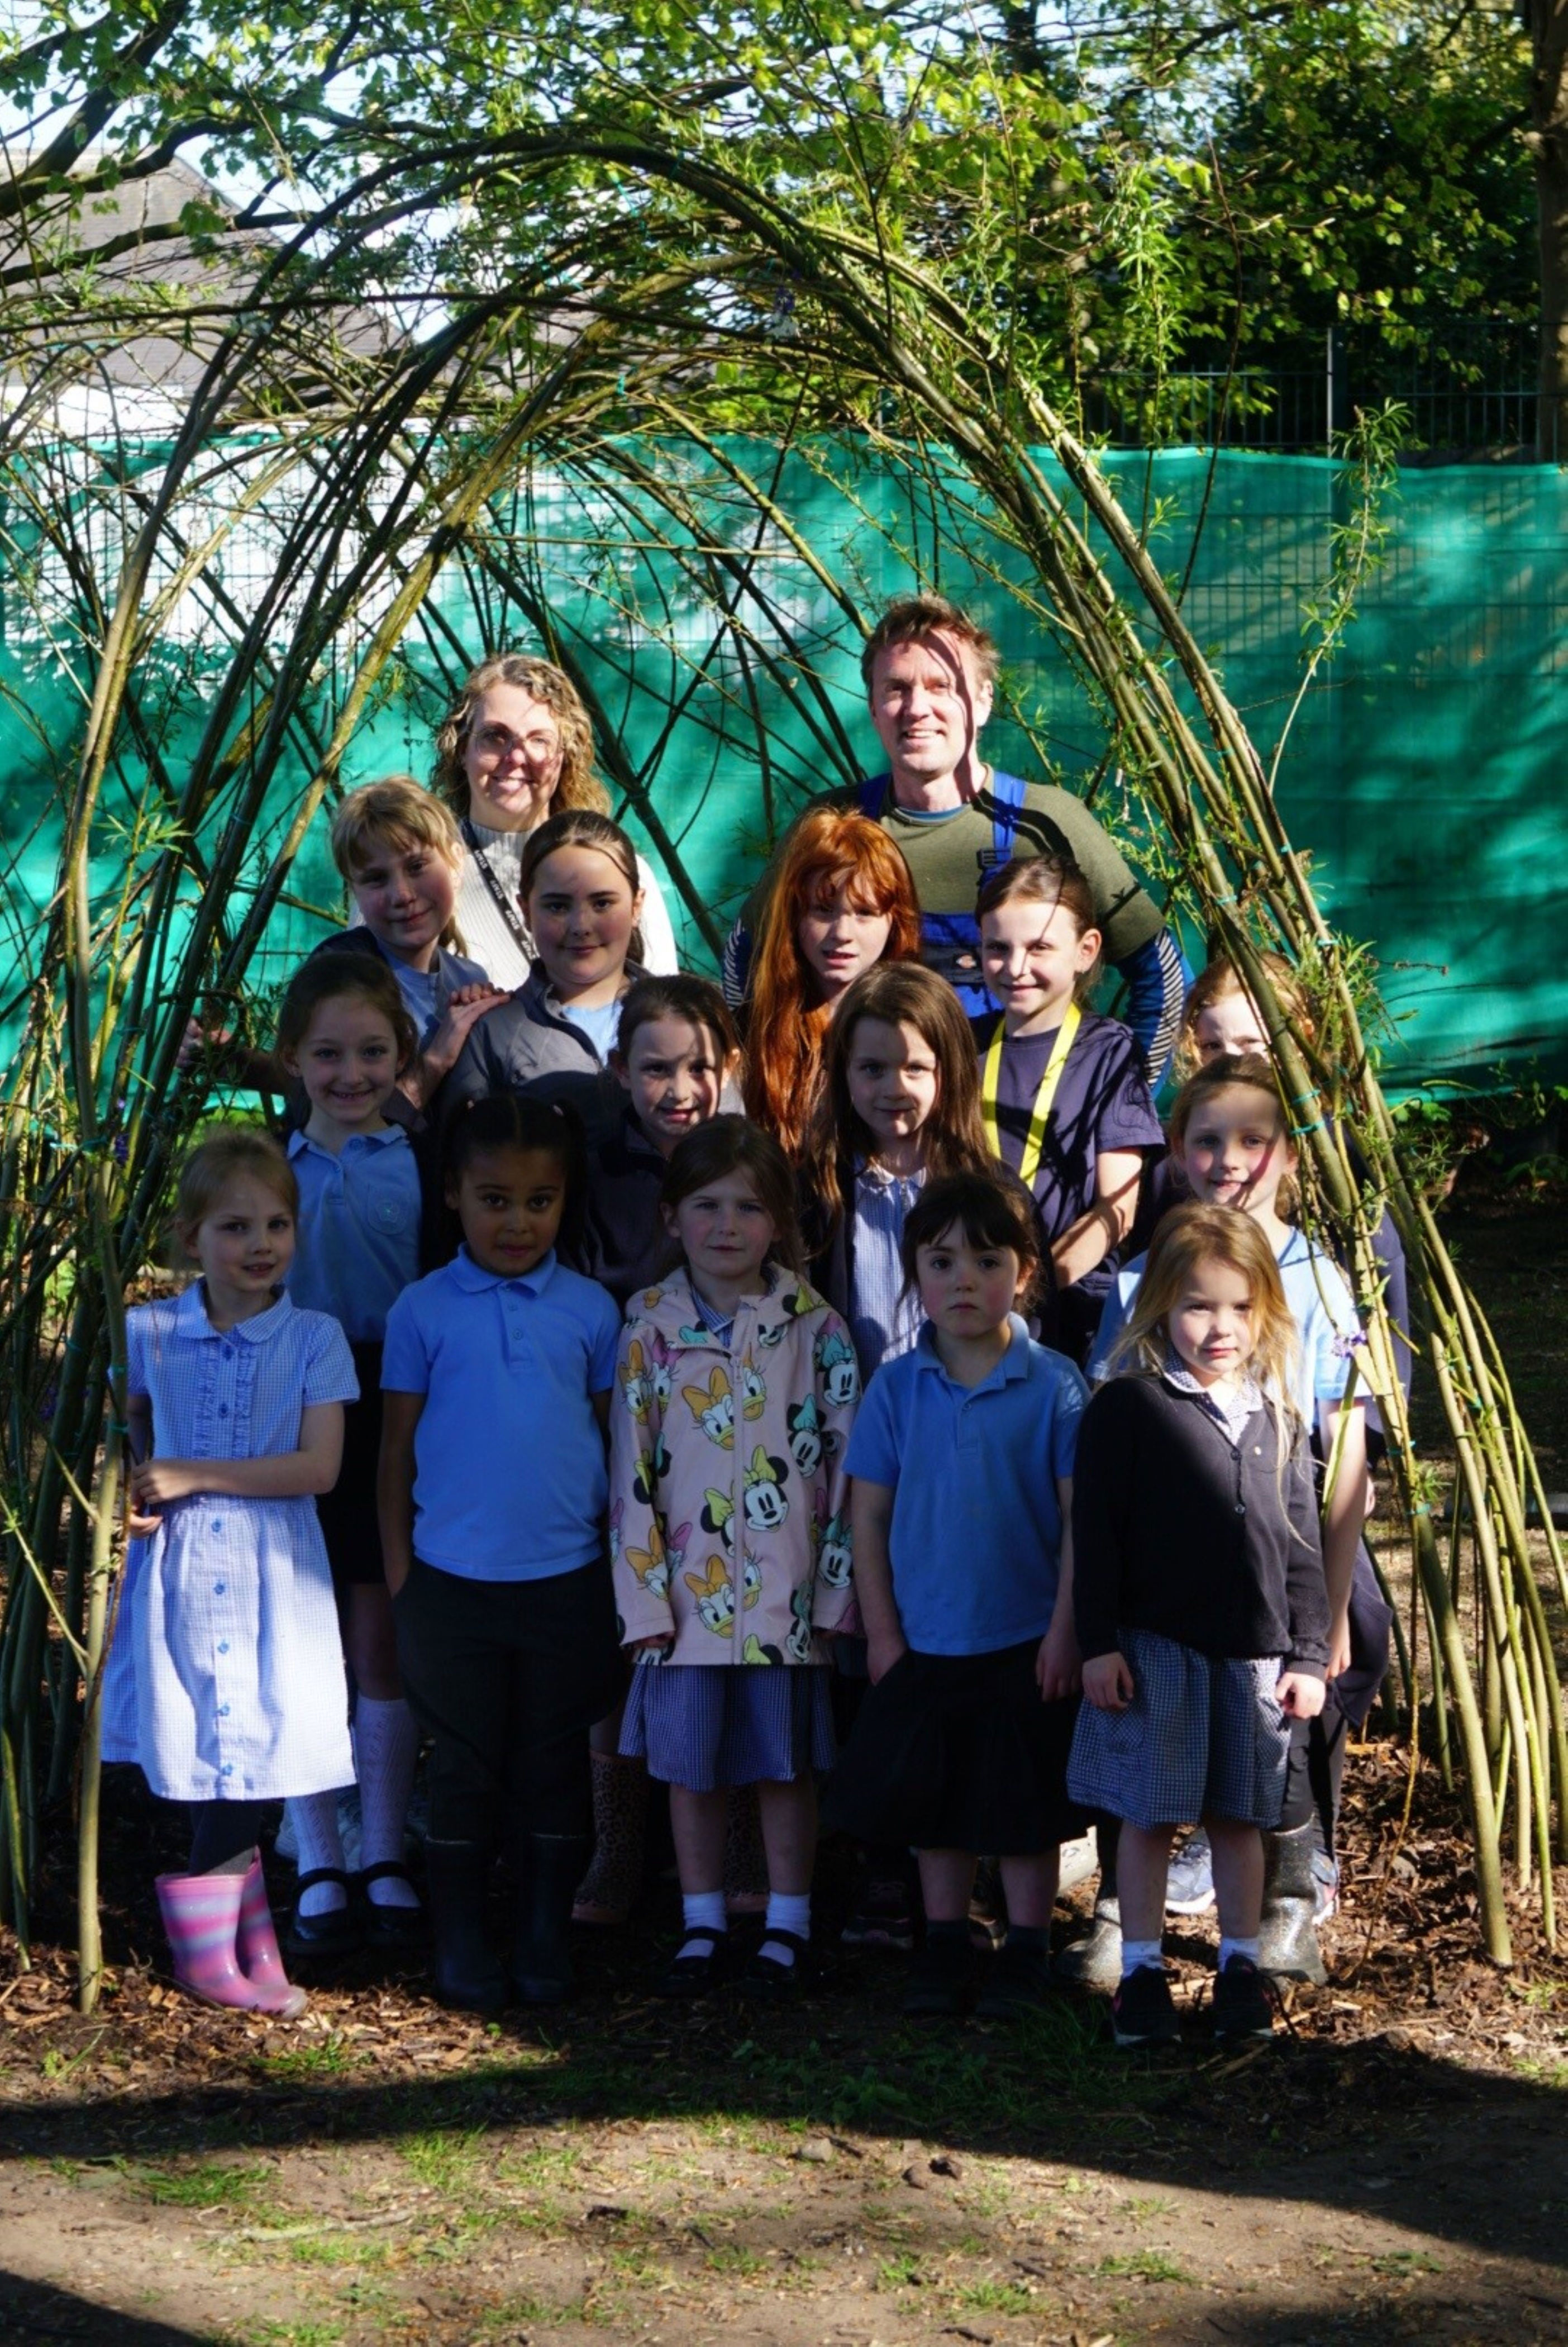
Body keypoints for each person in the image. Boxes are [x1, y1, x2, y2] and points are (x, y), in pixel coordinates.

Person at [1074, 1054, 1379, 1989]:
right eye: (1205, 1139)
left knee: (1323, 1678)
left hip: (1283, 1543)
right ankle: (1125, 1916)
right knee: (1145, 1727)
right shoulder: (1145, 1280)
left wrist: (1325, 1609)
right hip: (1164, 1559)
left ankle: (1288, 1900)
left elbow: (1344, 1456)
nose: (1228, 1159)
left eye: (1252, 1139)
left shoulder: (1318, 1280)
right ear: (1174, 1152)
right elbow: (1097, 1473)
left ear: (1288, 1154)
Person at [99, 1130, 358, 2017]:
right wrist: (136, 1474)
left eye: (277, 1224)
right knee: (210, 1741)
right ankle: (231, 1948)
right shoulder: (150, 1330)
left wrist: (191, 1471)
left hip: (273, 1571)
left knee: (258, 1737)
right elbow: (128, 1415)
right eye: (235, 1226)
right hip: (177, 1571)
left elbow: (316, 1469)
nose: (260, 1245)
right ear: (189, 1238)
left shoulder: (316, 1339)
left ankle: (233, 1946)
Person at [378, 1093, 622, 2013]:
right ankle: (461, 1943)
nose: (515, 1221)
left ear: (565, 1202)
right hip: (450, 1587)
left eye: (538, 1201)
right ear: (451, 1194)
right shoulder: (421, 1310)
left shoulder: (593, 1312)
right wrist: (406, 1579)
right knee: (466, 1767)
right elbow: (396, 1451)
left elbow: (613, 1446)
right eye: (493, 1199)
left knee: (553, 1765)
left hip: (567, 1583)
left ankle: (543, 1937)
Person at [826, 1172, 1089, 2020]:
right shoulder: (897, 1388)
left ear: (1023, 1272)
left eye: (985, 1260)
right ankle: (943, 1939)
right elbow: (867, 1517)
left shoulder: (1053, 1386)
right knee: (934, 1805)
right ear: (914, 1275)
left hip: (1022, 1639)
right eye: (940, 1262)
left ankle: (1025, 1947)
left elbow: (1078, 1522)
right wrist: (881, 1632)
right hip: (924, 1639)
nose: (962, 1280)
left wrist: (1063, 1631)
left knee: (1019, 1809)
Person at [725, 596, 1188, 1077]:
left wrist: (1124, 1116)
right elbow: (745, 957)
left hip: (1018, 1134)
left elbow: (1164, 978)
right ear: (873, 708)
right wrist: (774, 1087)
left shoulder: (1047, 824)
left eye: (940, 686)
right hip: (867, 1132)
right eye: (897, 688)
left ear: (984, 700)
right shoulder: (835, 826)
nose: (917, 708)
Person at [610, 1117, 860, 2000]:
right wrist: (643, 1608)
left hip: (786, 1606)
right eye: (706, 1206)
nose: (726, 1226)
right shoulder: (648, 1326)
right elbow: (629, 1476)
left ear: (779, 1222)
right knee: (690, 1768)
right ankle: (702, 1918)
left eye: (749, 1207)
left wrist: (835, 1596)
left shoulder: (816, 1327)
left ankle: (787, 1920)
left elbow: (847, 1467)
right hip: (685, 1609)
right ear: (672, 1217)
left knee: (784, 1765)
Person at [1069, 1203, 1329, 2046]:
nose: (1218, 1327)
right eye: (1196, 1306)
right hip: (1155, 1652)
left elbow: (1299, 1549)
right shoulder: (1125, 1407)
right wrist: (1097, 1641)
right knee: (1147, 1818)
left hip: (1251, 1659)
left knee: (1236, 1818)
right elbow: (1095, 1536)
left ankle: (1239, 1966)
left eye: (1237, 1306)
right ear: (1158, 1307)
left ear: (1264, 1309)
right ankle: (1139, 1972)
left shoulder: (1279, 1417)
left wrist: (1307, 1653)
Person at [557, 973, 746, 1931]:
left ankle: (735, 1835)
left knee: (734, 1633)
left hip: (738, 1447)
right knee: (626, 1634)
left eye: (698, 1067)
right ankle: (621, 1838)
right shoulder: (602, 1168)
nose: (679, 1088)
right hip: (627, 1430)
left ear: (730, 1068)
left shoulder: (749, 1161)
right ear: (620, 1072)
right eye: (656, 1068)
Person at [272, 956, 443, 1960]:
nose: (350, 1072)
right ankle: (313, 1848)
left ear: (401, 1057)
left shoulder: (421, 1165)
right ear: (294, 1056)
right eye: (328, 1053)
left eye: (372, 1051)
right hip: (293, 1409)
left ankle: (383, 1849)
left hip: (390, 1407)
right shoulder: (270, 1170)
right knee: (299, 1640)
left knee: (379, 1631)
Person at [973, 853, 1165, 1363]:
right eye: (998, 948)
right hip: (969, 1309)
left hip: (1071, 1316)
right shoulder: (961, 1046)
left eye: (1038, 948)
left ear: (1085, 951)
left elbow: (1116, 1210)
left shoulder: (1109, 1050)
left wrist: (1031, 1289)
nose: (1015, 968)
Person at [431, 653, 679, 982]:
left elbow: (668, 1014)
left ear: (565, 756)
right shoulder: (417, 878)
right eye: (494, 736)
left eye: (538, 740)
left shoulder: (621, 875)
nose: (516, 757)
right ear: (462, 749)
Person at [441, 810, 650, 1116]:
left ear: (636, 906)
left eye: (602, 903)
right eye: (558, 906)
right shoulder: (491, 1034)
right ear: (525, 911)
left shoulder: (688, 1018)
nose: (581, 925)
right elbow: (460, 1156)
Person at [740, 806, 922, 1158]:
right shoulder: (750, 1031)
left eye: (865, 913)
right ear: (794, 914)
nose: (842, 934)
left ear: (895, 922)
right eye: (823, 910)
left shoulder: (924, 1028)